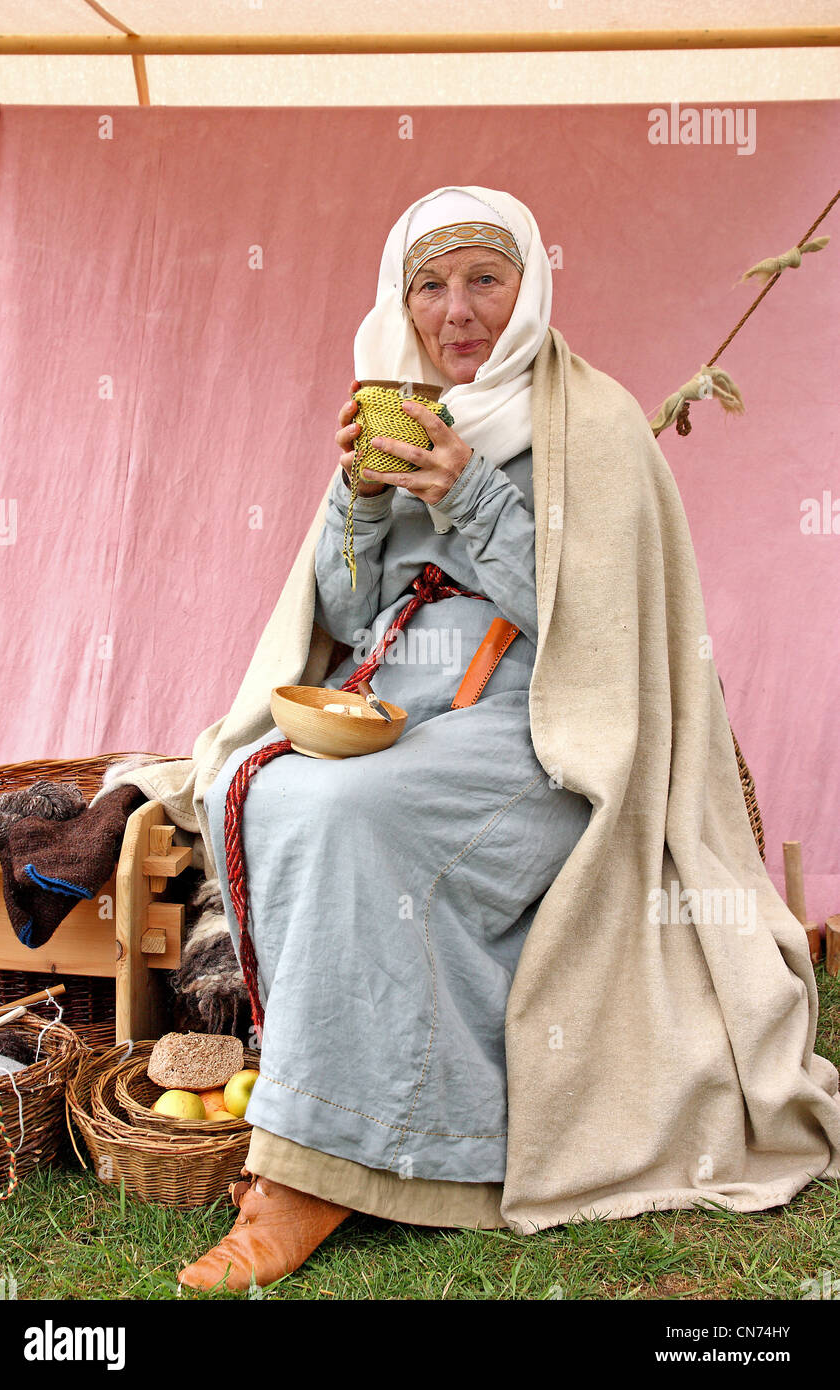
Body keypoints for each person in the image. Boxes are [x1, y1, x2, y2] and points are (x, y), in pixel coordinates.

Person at [178, 187, 594, 1290]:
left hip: (534, 725)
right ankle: (342, 1092)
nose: (455, 310)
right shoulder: (396, 406)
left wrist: (472, 502)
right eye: (428, 285)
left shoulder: (585, 429)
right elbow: (346, 615)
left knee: (343, 807)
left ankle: (311, 1172)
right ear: (398, 301)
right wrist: (358, 503)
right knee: (246, 779)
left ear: (529, 288)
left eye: (483, 279)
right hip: (397, 709)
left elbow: (599, 628)